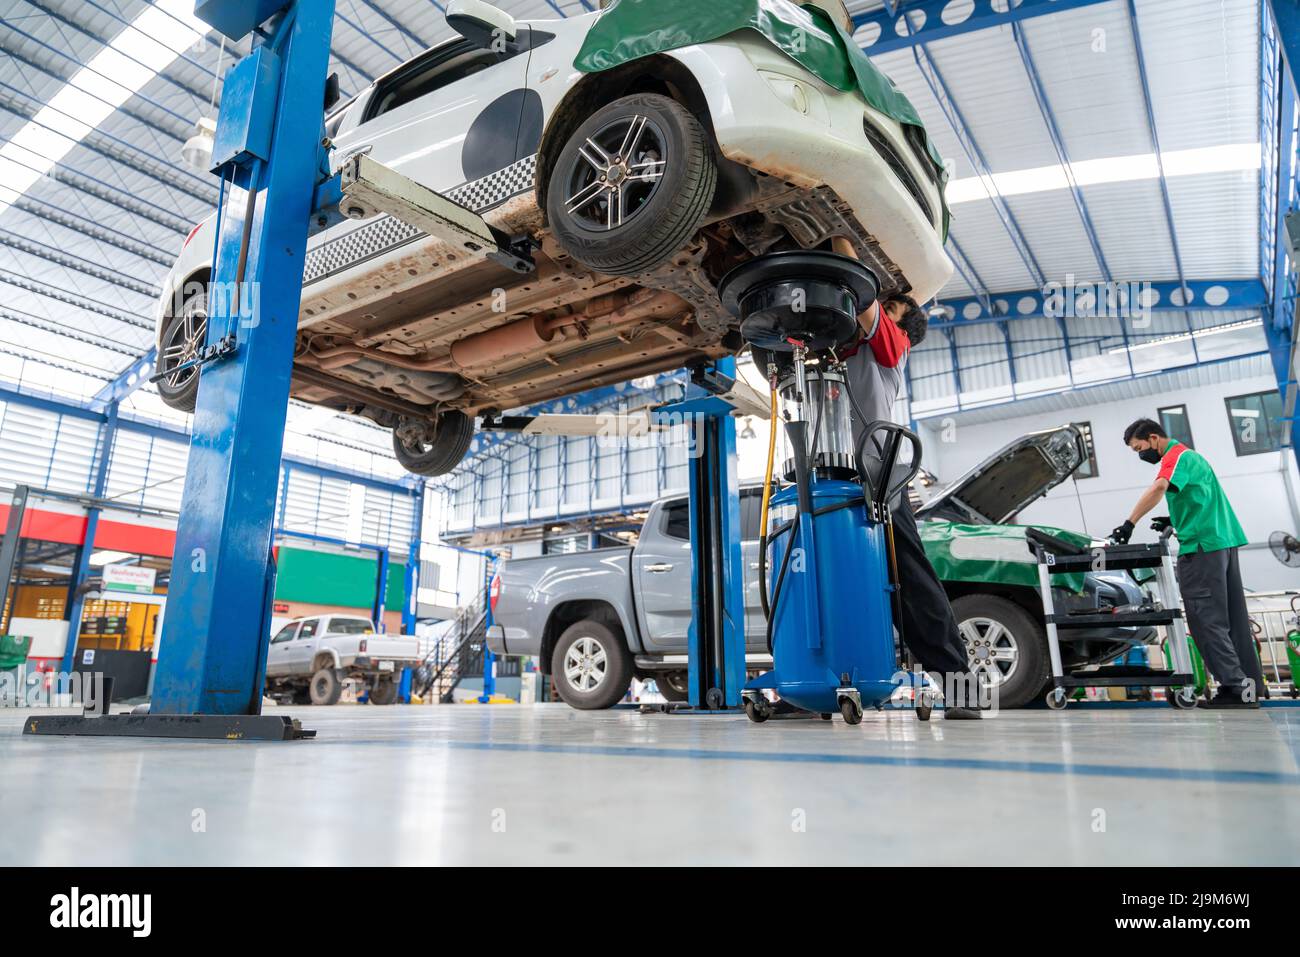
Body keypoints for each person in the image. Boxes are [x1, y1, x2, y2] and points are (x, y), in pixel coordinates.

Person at [838, 289, 983, 719]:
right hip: (832, 475)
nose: (882, 309)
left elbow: (862, 294)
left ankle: (964, 690)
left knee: (913, 586)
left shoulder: (891, 344)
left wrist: (838, 237)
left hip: (879, 476)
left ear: (899, 325)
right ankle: (819, 682)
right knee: (837, 580)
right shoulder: (841, 350)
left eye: (891, 308)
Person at [1113, 419, 1263, 709]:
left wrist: (1129, 524)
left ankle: (1234, 689)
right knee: (1231, 620)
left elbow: (1159, 487)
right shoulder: (1193, 458)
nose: (1140, 454)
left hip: (1201, 548)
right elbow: (1200, 499)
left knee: (1207, 620)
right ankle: (1249, 690)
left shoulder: (1175, 456)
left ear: (1154, 438)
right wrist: (1174, 520)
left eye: (1139, 448)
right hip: (1223, 542)